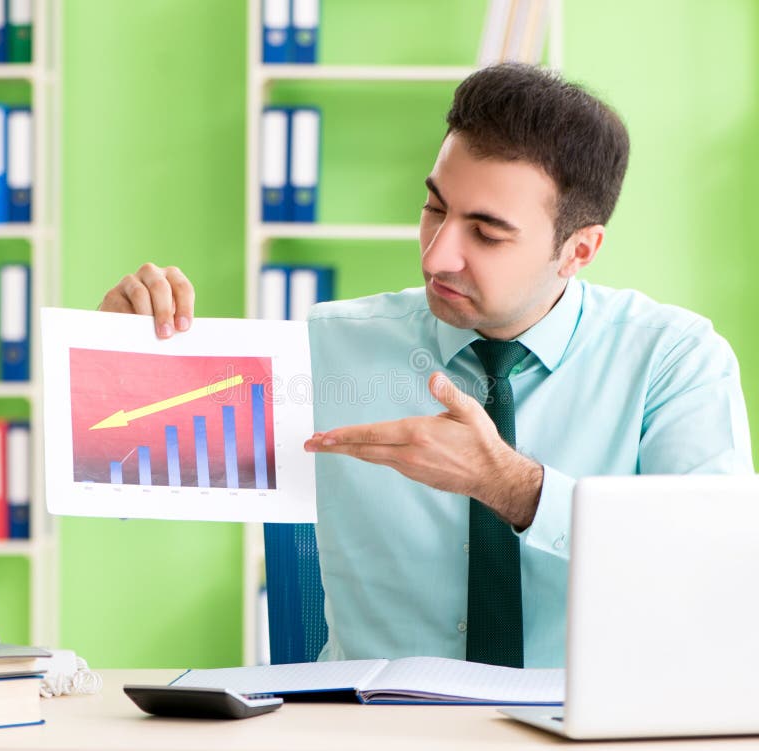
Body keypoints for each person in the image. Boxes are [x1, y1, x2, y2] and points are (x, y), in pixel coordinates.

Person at [98, 63, 753, 668]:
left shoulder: (672, 362)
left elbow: (716, 569)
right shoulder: (326, 348)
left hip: (581, 730)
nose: (438, 255)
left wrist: (516, 488)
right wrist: (116, 360)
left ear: (579, 250)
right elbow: (121, 475)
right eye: (435, 206)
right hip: (370, 729)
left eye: (487, 232)